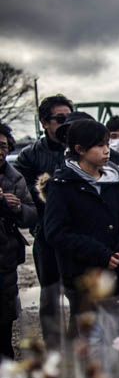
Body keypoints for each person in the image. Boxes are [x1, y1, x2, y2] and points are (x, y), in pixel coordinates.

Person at [43, 119, 119, 332]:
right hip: (85, 278)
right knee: (90, 340)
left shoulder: (114, 180)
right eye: (100, 145)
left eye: (107, 144)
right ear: (80, 149)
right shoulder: (62, 186)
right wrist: (101, 254)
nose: (107, 150)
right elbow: (56, 232)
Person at [14, 93, 73, 348]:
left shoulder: (81, 146)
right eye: (59, 119)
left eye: (70, 117)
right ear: (44, 122)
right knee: (50, 295)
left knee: (81, 294)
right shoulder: (29, 155)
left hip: (79, 233)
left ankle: (80, 347)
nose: (65, 123)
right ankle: (55, 350)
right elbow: (25, 195)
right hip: (47, 234)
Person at [0, 124, 37, 357]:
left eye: (3, 146)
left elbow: (32, 214)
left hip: (5, 260)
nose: (0, 151)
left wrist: (17, 207)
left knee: (4, 321)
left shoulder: (15, 178)